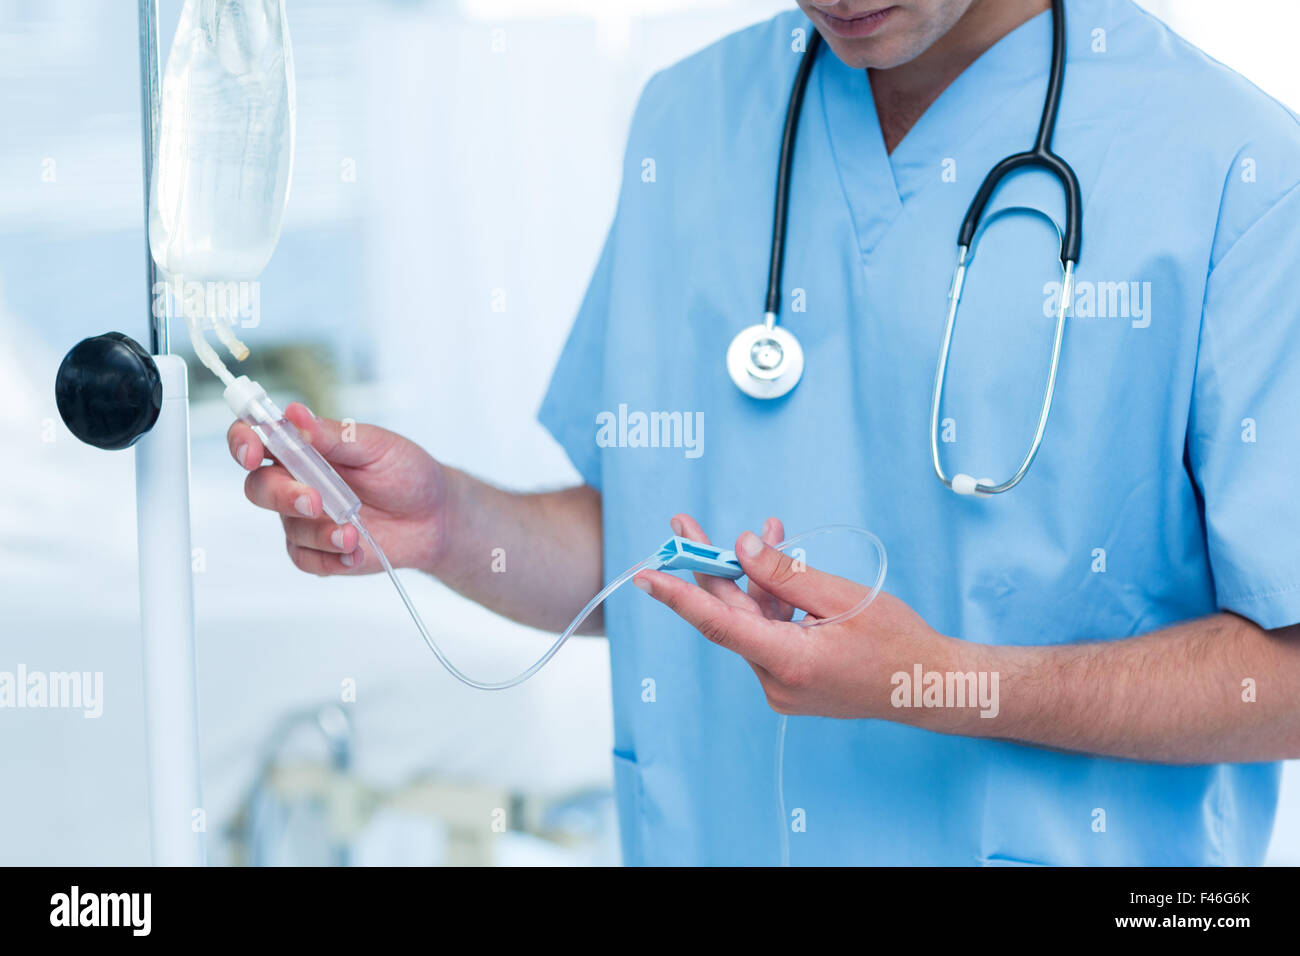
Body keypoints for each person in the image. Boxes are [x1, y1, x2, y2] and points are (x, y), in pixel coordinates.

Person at [226, 0, 1300, 865]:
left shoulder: (1233, 171)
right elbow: (660, 546)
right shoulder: (690, 123)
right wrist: (453, 524)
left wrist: (938, 679)